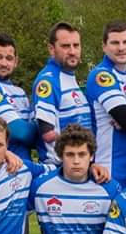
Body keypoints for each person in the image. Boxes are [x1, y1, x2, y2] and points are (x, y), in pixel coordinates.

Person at [86, 20, 126, 189]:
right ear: (104, 46)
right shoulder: (101, 75)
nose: (121, 48)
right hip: (110, 170)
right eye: (114, 43)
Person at [32, 21, 93, 163]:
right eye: (65, 46)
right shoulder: (48, 81)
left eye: (76, 45)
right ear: (51, 49)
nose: (72, 51)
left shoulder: (69, 77)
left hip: (79, 164)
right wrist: (79, 141)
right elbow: (47, 134)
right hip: (59, 166)